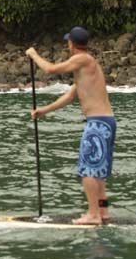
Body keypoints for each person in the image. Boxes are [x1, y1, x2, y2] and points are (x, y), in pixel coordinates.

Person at [26, 27, 115, 225]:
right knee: (98, 171)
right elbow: (71, 95)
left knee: (89, 170)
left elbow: (50, 69)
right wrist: (44, 110)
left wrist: (33, 55)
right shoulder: (86, 66)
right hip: (105, 122)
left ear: (71, 44)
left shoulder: (82, 59)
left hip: (98, 123)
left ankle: (93, 215)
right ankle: (103, 211)